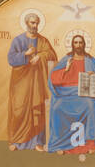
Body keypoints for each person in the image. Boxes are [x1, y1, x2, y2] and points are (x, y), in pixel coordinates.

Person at [47, 33, 95, 158]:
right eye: (76, 42)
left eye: (80, 42)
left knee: (92, 105)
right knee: (57, 107)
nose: (78, 45)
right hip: (67, 94)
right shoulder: (66, 59)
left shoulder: (90, 60)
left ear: (84, 44)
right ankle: (61, 144)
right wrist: (66, 69)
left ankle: (91, 143)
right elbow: (53, 79)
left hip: (85, 95)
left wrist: (93, 76)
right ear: (72, 44)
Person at [6, 13, 57, 150]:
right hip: (21, 82)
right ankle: (16, 141)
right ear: (26, 23)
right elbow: (11, 59)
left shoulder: (43, 40)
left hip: (38, 81)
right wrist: (26, 55)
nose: (35, 26)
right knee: (20, 109)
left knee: (38, 109)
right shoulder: (18, 40)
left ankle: (37, 142)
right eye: (32, 23)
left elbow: (52, 55)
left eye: (36, 23)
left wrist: (40, 56)